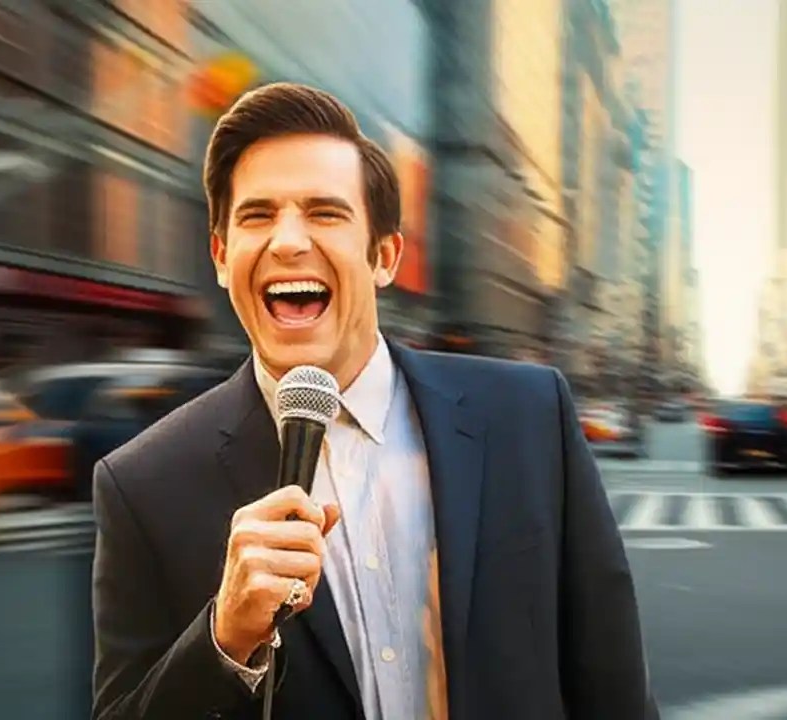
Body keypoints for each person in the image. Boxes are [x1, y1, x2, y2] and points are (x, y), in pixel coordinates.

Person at [90, 82, 659, 720]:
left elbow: (611, 682)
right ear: (222, 257)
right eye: (257, 215)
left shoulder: (529, 417)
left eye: (325, 212)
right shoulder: (141, 483)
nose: (287, 241)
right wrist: (225, 638)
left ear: (385, 255)